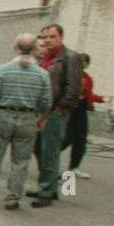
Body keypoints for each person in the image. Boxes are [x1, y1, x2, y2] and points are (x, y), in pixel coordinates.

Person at [0, 33, 52, 210]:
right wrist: (41, 120)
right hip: (27, 120)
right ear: (35, 50)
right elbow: (46, 102)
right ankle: (12, 199)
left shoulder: (2, 70)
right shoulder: (42, 74)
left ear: (15, 48)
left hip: (3, 117)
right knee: (21, 162)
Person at [28, 23, 83, 207]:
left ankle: (46, 192)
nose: (47, 40)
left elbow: (73, 87)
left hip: (54, 112)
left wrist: (60, 109)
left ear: (61, 37)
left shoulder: (70, 57)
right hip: (40, 110)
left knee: (50, 151)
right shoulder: (44, 57)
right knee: (38, 148)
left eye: (52, 37)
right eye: (44, 37)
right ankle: (48, 186)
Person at [63, 53, 109, 180]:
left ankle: (73, 168)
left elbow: (89, 95)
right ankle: (47, 162)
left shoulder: (88, 78)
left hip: (81, 109)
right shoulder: (68, 76)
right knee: (66, 138)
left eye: (84, 62)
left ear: (87, 65)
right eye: (79, 62)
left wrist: (101, 99)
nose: (82, 65)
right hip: (69, 108)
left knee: (81, 138)